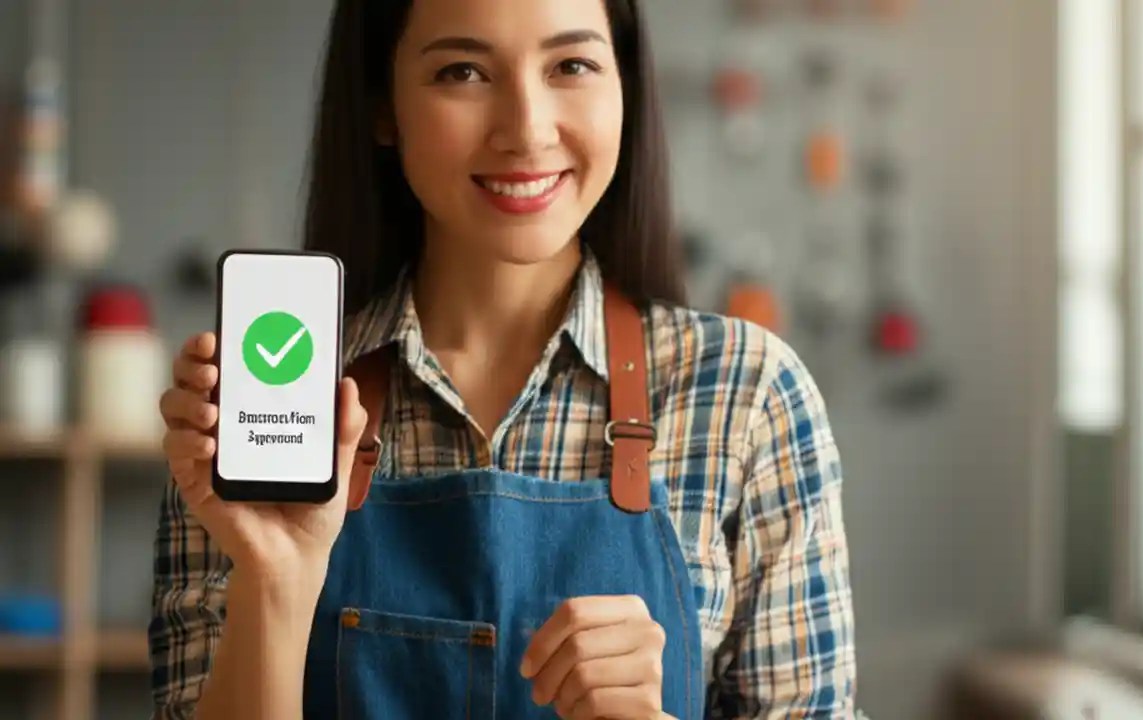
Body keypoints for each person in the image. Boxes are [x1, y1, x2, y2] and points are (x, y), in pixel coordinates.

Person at [150, 0, 858, 717]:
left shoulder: (748, 394)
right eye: (462, 71)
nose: (527, 129)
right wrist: (276, 578)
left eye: (571, 65)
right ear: (381, 107)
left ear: (626, 89)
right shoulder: (261, 414)